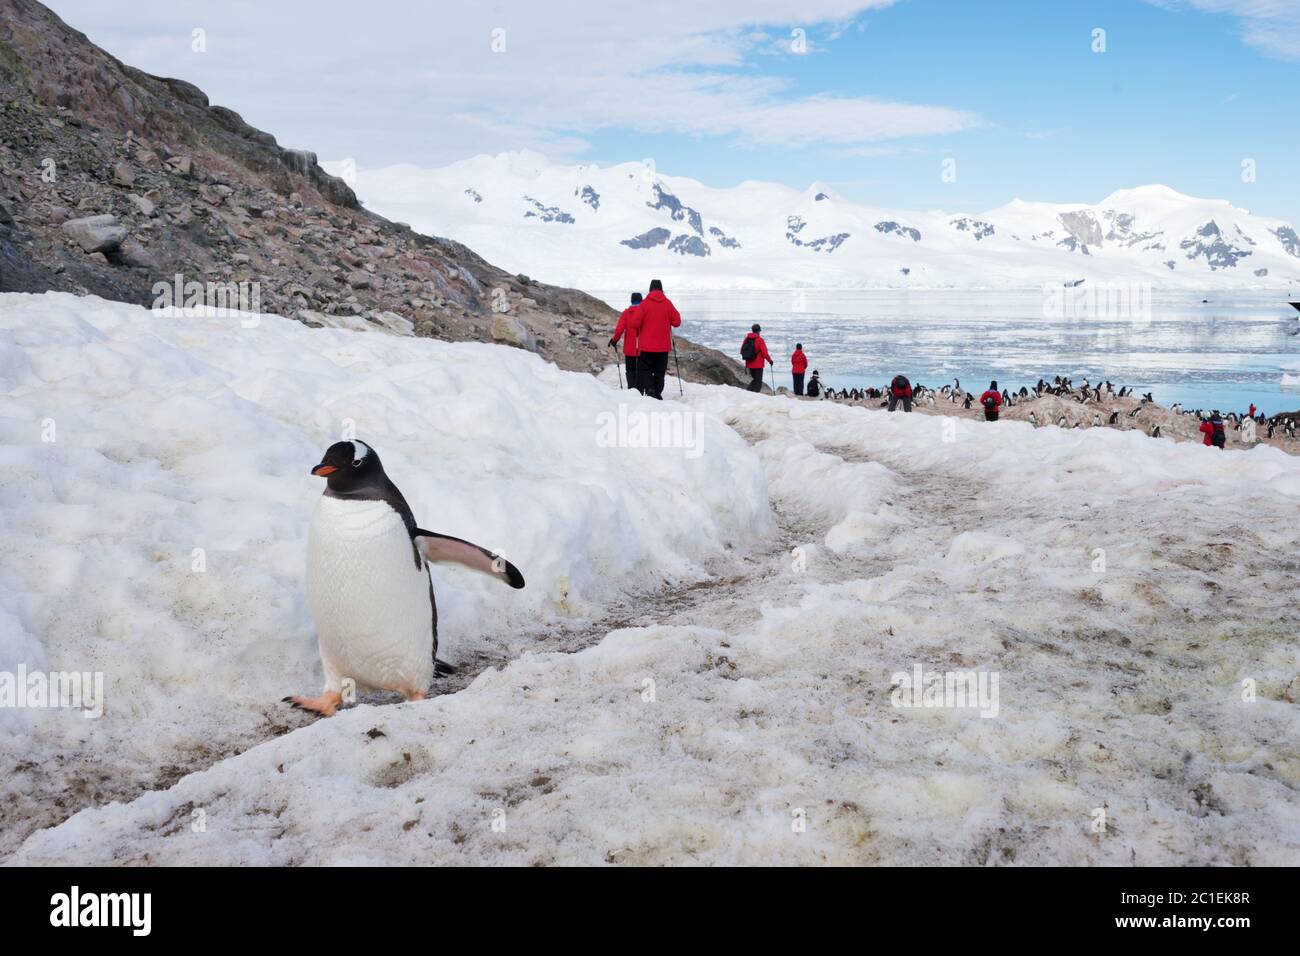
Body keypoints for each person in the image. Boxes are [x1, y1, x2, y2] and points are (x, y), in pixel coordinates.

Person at [627, 279, 680, 399]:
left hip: (646, 347)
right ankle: (657, 393)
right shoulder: (668, 303)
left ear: (650, 289)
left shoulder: (644, 304)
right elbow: (677, 322)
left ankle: (650, 390)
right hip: (663, 347)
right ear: (661, 289)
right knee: (660, 373)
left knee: (645, 370)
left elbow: (635, 323)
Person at [609, 292, 642, 392]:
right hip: (643, 349)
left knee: (630, 370)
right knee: (642, 371)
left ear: (631, 300)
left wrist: (614, 340)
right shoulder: (645, 312)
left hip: (629, 349)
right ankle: (641, 391)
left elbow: (619, 330)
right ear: (641, 300)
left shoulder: (626, 313)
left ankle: (631, 390)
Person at [740, 323, 772, 392]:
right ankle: (754, 396)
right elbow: (765, 353)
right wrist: (770, 361)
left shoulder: (746, 339)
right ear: (759, 331)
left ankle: (748, 392)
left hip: (750, 364)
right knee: (758, 382)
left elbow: (741, 351)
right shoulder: (760, 340)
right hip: (758, 365)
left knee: (755, 380)